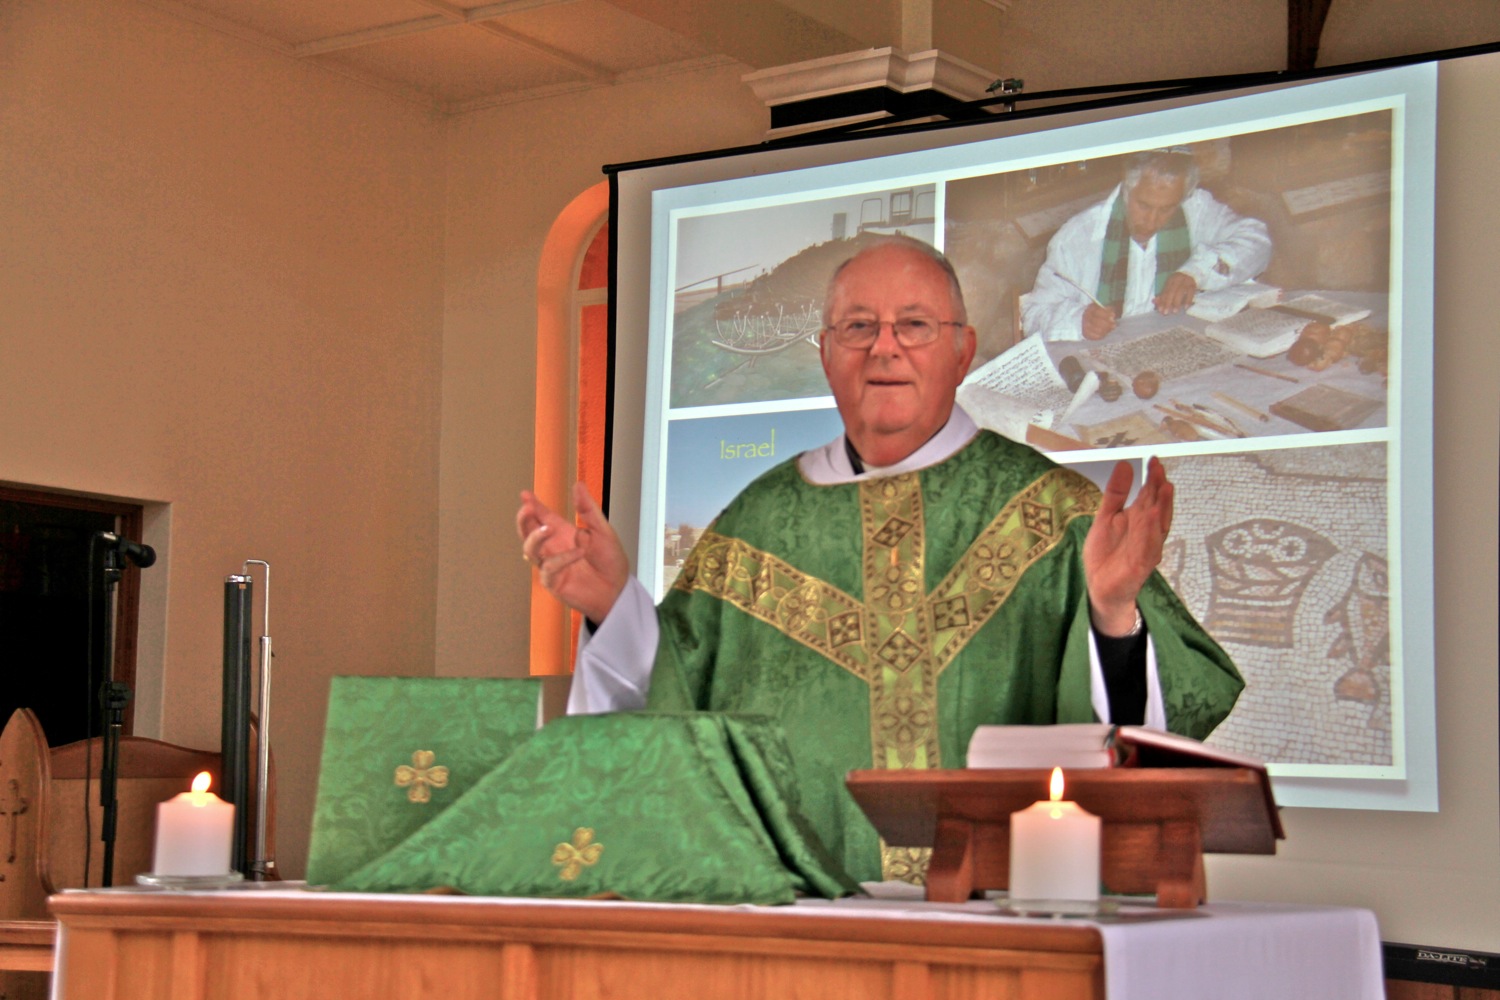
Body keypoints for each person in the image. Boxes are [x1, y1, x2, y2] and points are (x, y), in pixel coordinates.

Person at [518, 236, 1243, 884]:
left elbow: (1165, 740)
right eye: (858, 327)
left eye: (915, 325)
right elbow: (678, 710)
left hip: (1001, 916)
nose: (884, 348)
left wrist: (1115, 619)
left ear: (964, 351)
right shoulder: (759, 521)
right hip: (806, 924)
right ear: (826, 354)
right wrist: (616, 609)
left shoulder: (1056, 513)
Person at [1023, 149, 1272, 341]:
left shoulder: (1195, 209)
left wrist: (1196, 272)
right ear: (1127, 189)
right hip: (1103, 360)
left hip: (1177, 348)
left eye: (1166, 209)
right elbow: (1033, 316)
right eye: (1143, 205)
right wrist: (1078, 321)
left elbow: (1258, 242)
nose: (1152, 221)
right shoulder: (1078, 236)